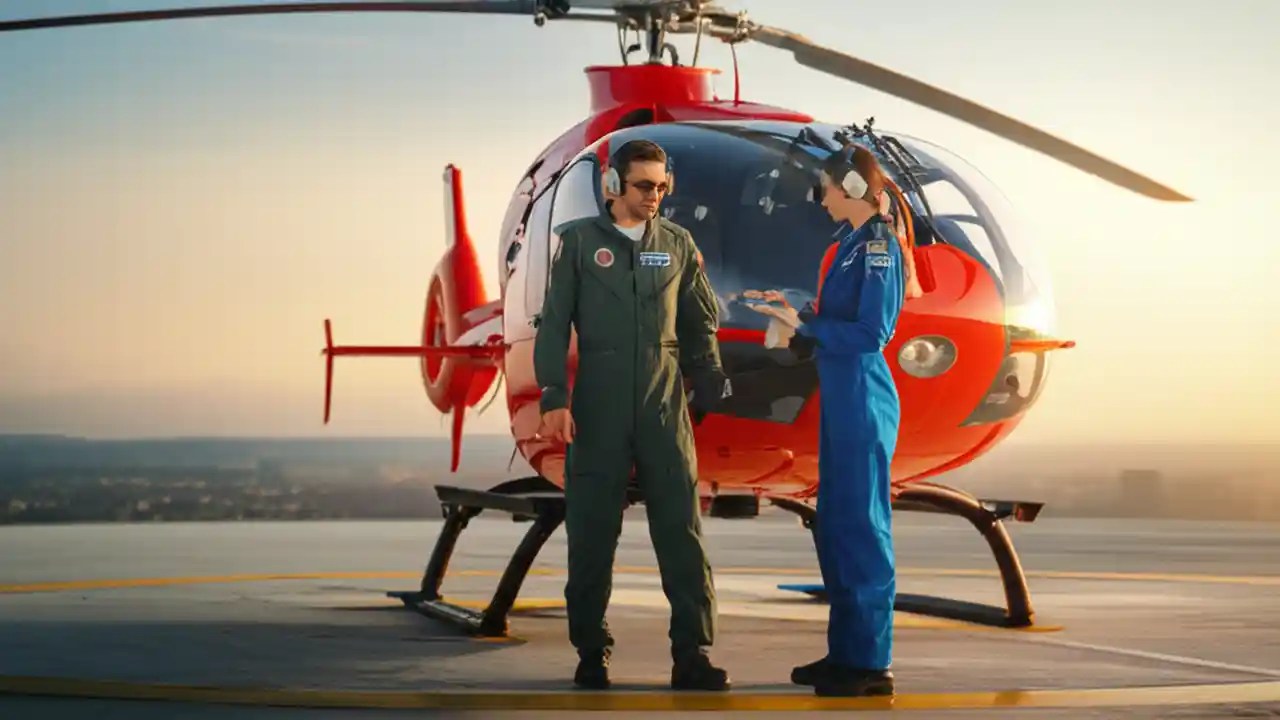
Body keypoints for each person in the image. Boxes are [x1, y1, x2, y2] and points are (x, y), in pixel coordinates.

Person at [533, 139, 733, 692]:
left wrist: (709, 370)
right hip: (598, 401)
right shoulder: (578, 244)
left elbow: (697, 316)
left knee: (682, 531)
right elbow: (553, 325)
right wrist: (554, 396)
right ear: (614, 186)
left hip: (663, 402)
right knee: (593, 530)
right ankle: (591, 652)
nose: (655, 197)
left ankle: (691, 653)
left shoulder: (674, 243)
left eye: (662, 187)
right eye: (644, 185)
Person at [786, 143, 906, 697]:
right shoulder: (849, 244)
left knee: (862, 526)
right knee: (835, 525)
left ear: (854, 188)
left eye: (827, 188)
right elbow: (836, 319)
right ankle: (845, 654)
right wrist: (794, 314)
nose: (822, 198)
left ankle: (870, 664)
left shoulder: (879, 247)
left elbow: (871, 334)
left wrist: (809, 330)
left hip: (861, 394)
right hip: (839, 397)